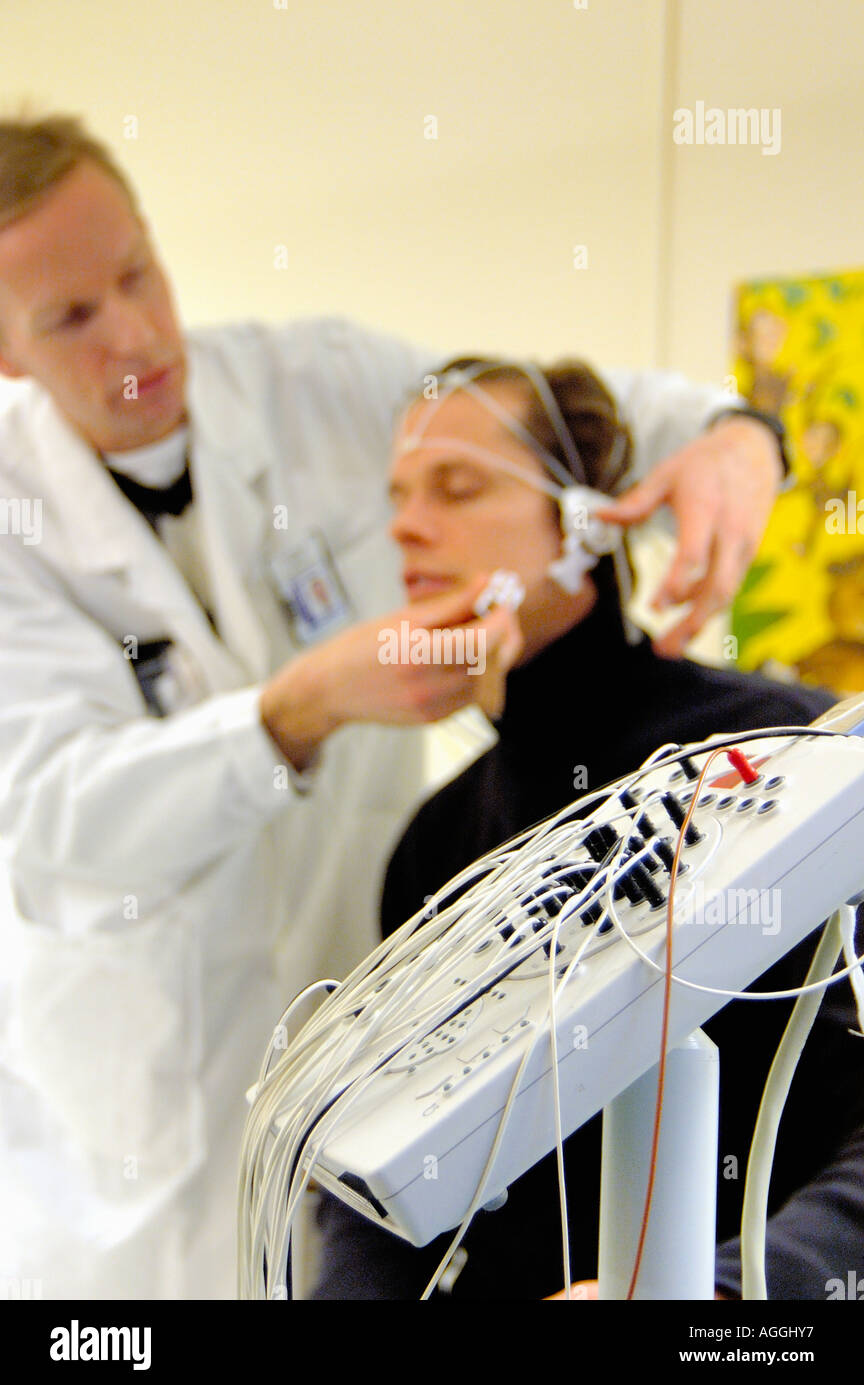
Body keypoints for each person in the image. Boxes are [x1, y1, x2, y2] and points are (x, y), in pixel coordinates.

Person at [0, 113, 790, 1301]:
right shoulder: (445, 847)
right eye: (71, 315)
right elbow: (46, 828)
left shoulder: (758, 762)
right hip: (132, 1140)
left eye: (137, 273)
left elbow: (597, 410)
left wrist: (738, 438)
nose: (136, 333)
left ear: (588, 520)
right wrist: (296, 708)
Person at [312, 358, 864, 1300]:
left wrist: (728, 1295)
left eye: (458, 487)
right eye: (398, 496)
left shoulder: (804, 759)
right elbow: (381, 1173)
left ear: (587, 518)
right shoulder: (434, 844)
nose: (405, 526)